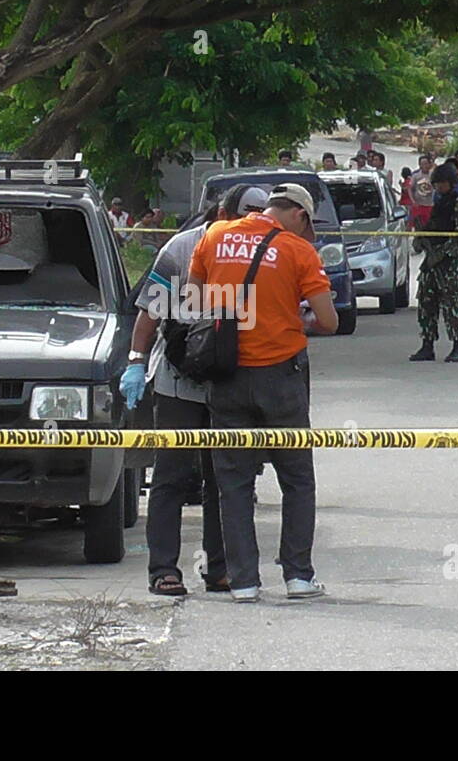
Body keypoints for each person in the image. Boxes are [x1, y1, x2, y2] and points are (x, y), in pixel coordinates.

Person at [187, 183, 337, 603]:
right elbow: (328, 321)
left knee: (232, 482)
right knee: (297, 479)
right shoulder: (297, 250)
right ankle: (298, 577)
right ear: (300, 215)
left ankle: (244, 583)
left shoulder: (214, 236)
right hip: (281, 377)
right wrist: (290, 317)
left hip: (227, 375)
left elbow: (195, 300)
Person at [120, 186, 269, 595]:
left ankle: (219, 567)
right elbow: (150, 309)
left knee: (226, 479)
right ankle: (163, 569)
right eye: (245, 214)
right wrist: (136, 360)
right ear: (222, 211)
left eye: (260, 215)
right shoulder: (182, 248)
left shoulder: (265, 250)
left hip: (233, 384)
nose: (251, 224)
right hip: (178, 382)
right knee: (171, 475)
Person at [410, 162, 458, 363]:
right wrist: (420, 240)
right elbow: (432, 228)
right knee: (426, 301)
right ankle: (427, 345)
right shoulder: (439, 202)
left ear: (451, 183)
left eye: (442, 183)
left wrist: (442, 254)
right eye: (436, 184)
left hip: (451, 262)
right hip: (432, 260)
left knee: (452, 304)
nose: (438, 187)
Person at [409, 155, 435, 227]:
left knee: (428, 225)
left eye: (426, 163)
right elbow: (410, 189)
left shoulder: (433, 176)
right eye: (422, 164)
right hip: (418, 205)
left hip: (429, 204)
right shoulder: (416, 176)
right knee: (417, 225)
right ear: (419, 165)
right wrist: (413, 201)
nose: (425, 166)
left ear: (430, 164)